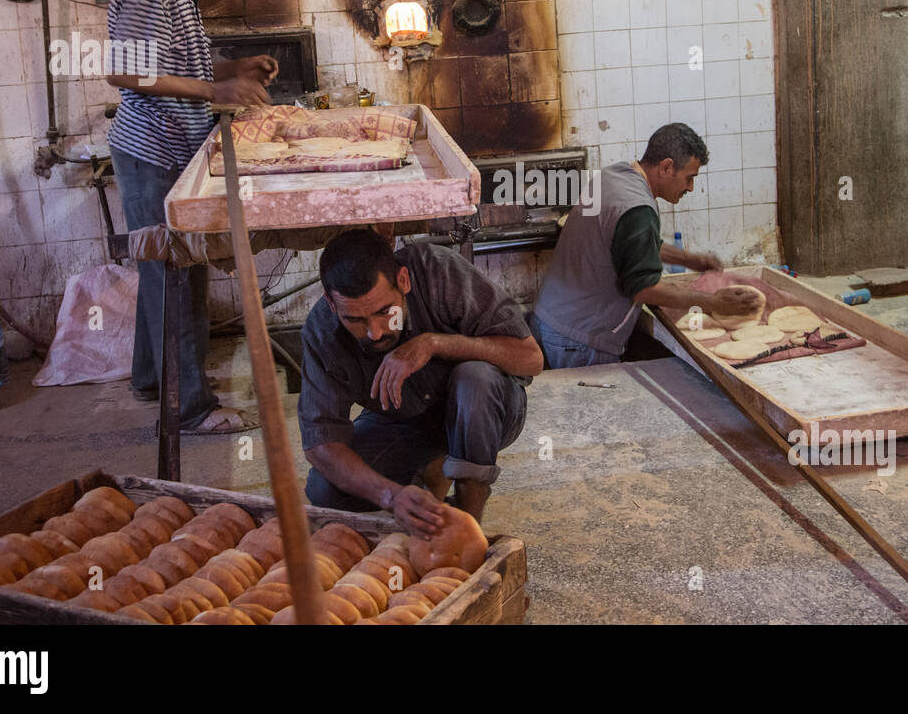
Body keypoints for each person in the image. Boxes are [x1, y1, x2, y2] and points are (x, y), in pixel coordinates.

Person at [105, 0, 276, 435]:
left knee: (162, 266)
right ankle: (189, 408)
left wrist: (236, 68)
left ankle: (153, 380)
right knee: (177, 272)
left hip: (169, 149)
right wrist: (213, 93)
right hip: (152, 151)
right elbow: (125, 71)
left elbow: (182, 66)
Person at [299, 228, 542, 530]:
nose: (374, 332)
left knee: (474, 376)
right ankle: (431, 467)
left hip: (487, 409)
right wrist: (390, 495)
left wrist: (435, 343)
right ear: (331, 302)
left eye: (385, 312)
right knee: (325, 489)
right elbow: (321, 443)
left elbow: (531, 359)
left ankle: (466, 525)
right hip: (404, 420)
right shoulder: (322, 332)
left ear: (403, 281)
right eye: (355, 320)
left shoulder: (439, 272)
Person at [531, 122, 760, 369]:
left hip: (551, 319)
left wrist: (689, 260)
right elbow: (644, 289)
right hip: (579, 339)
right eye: (689, 178)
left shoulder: (613, 176)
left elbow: (628, 244)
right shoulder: (637, 207)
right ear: (666, 167)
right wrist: (714, 302)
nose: (691, 188)